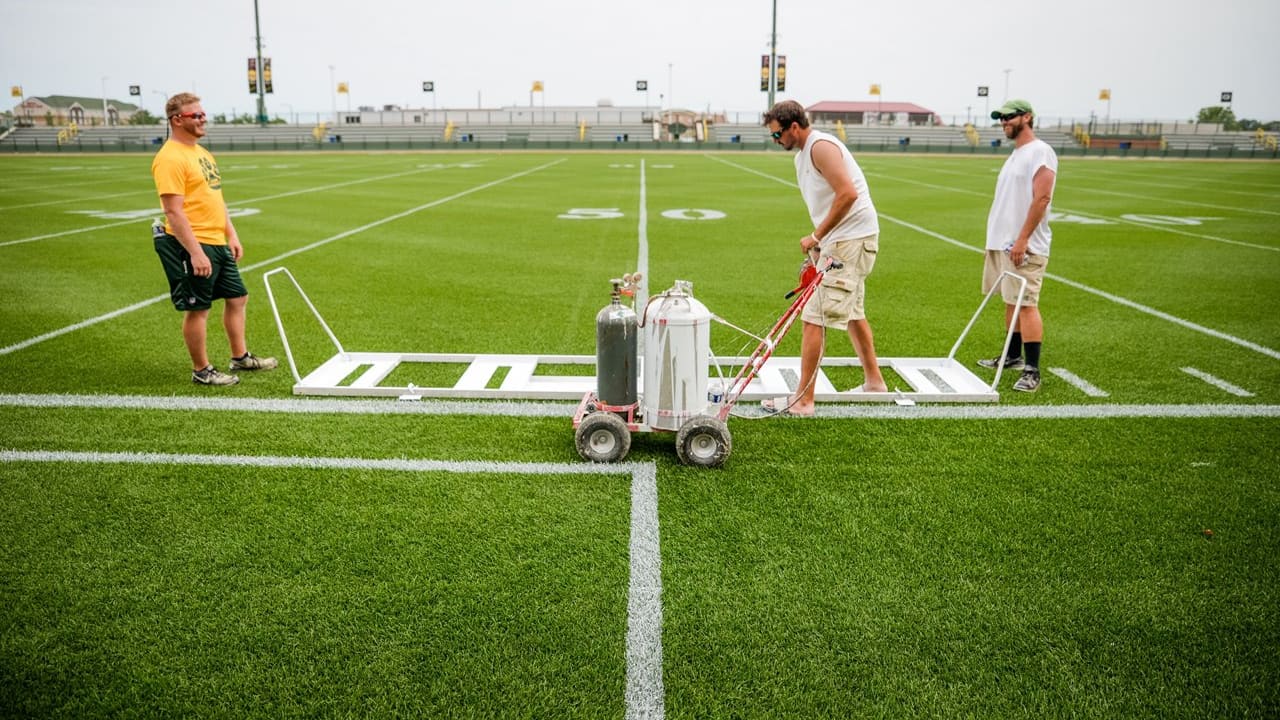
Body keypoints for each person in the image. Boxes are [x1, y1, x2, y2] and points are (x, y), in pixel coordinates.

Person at [761, 100, 887, 416]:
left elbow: (848, 194)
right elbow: (828, 202)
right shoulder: (803, 155)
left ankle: (804, 400)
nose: (776, 141)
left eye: (777, 134)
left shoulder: (821, 147)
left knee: (813, 318)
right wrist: (821, 246)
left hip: (852, 240)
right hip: (843, 241)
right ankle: (875, 382)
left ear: (794, 126)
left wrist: (817, 237)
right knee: (854, 312)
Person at [151, 92, 276, 385]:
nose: (203, 119)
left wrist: (231, 233)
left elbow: (216, 198)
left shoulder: (202, 153)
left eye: (203, 114)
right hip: (193, 241)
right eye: (196, 115)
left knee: (238, 297)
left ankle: (240, 357)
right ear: (177, 120)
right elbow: (173, 211)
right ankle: (202, 370)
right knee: (199, 308)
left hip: (216, 240)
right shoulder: (170, 158)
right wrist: (195, 252)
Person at [978, 99, 1059, 393]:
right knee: (1011, 301)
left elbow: (1042, 198)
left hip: (1024, 244)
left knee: (1026, 304)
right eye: (1001, 118)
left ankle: (1032, 370)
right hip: (1004, 243)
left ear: (1027, 117)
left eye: (1009, 117)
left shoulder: (1041, 151)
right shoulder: (1017, 153)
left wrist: (1023, 239)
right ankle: (1012, 356)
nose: (1004, 122)